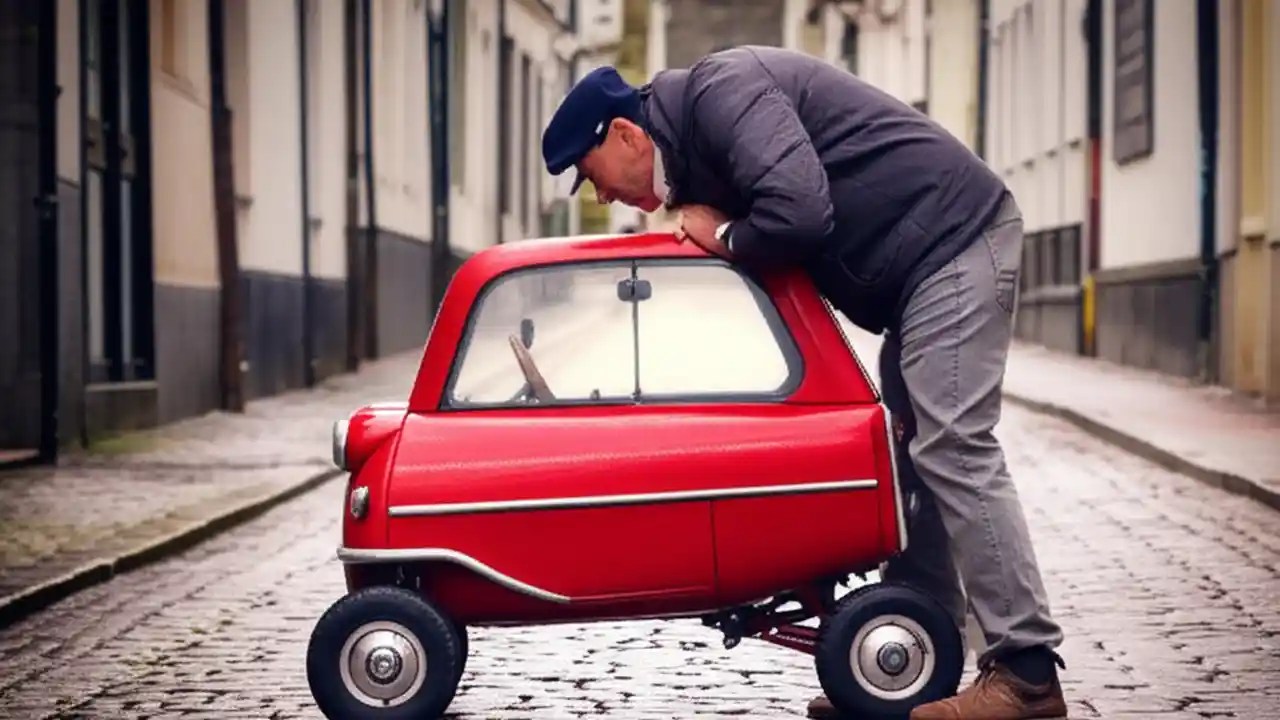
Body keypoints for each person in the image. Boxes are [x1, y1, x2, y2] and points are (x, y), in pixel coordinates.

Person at [541, 47, 1067, 720]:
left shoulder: (722, 93)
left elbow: (799, 211)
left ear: (625, 136)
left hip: (956, 239)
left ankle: (1026, 674)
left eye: (592, 177)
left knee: (953, 446)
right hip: (918, 269)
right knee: (910, 455)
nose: (604, 196)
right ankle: (910, 671)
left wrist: (726, 233)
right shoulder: (697, 146)